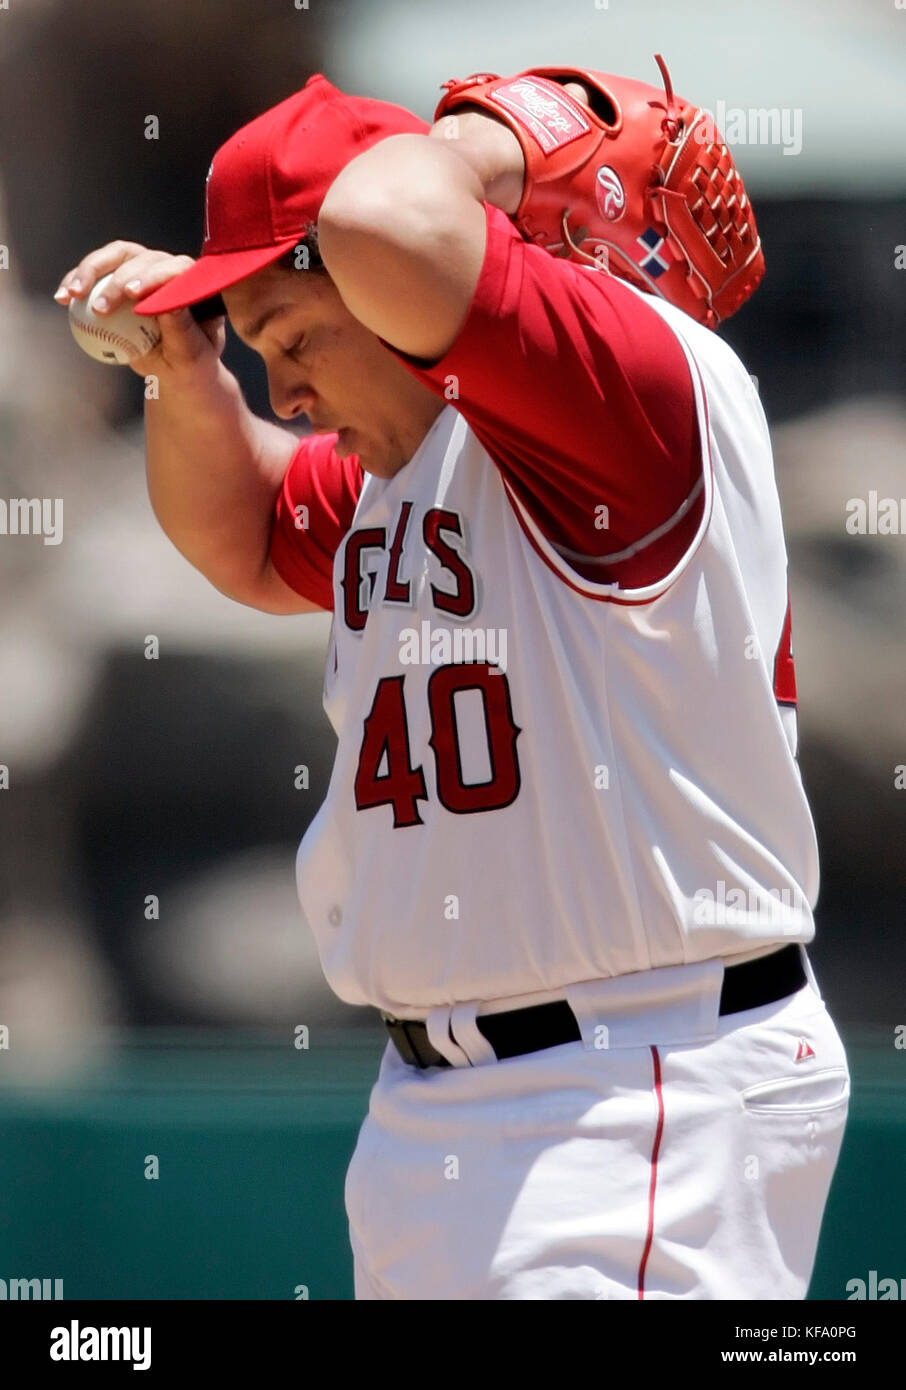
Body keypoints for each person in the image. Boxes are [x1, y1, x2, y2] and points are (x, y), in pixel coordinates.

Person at [55, 67, 850, 1300]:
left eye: (297, 335)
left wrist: (509, 132)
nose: (289, 391)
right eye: (260, 349)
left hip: (635, 1084)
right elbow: (247, 534)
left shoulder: (617, 396)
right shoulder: (410, 459)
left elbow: (389, 224)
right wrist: (183, 370)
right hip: (466, 1111)